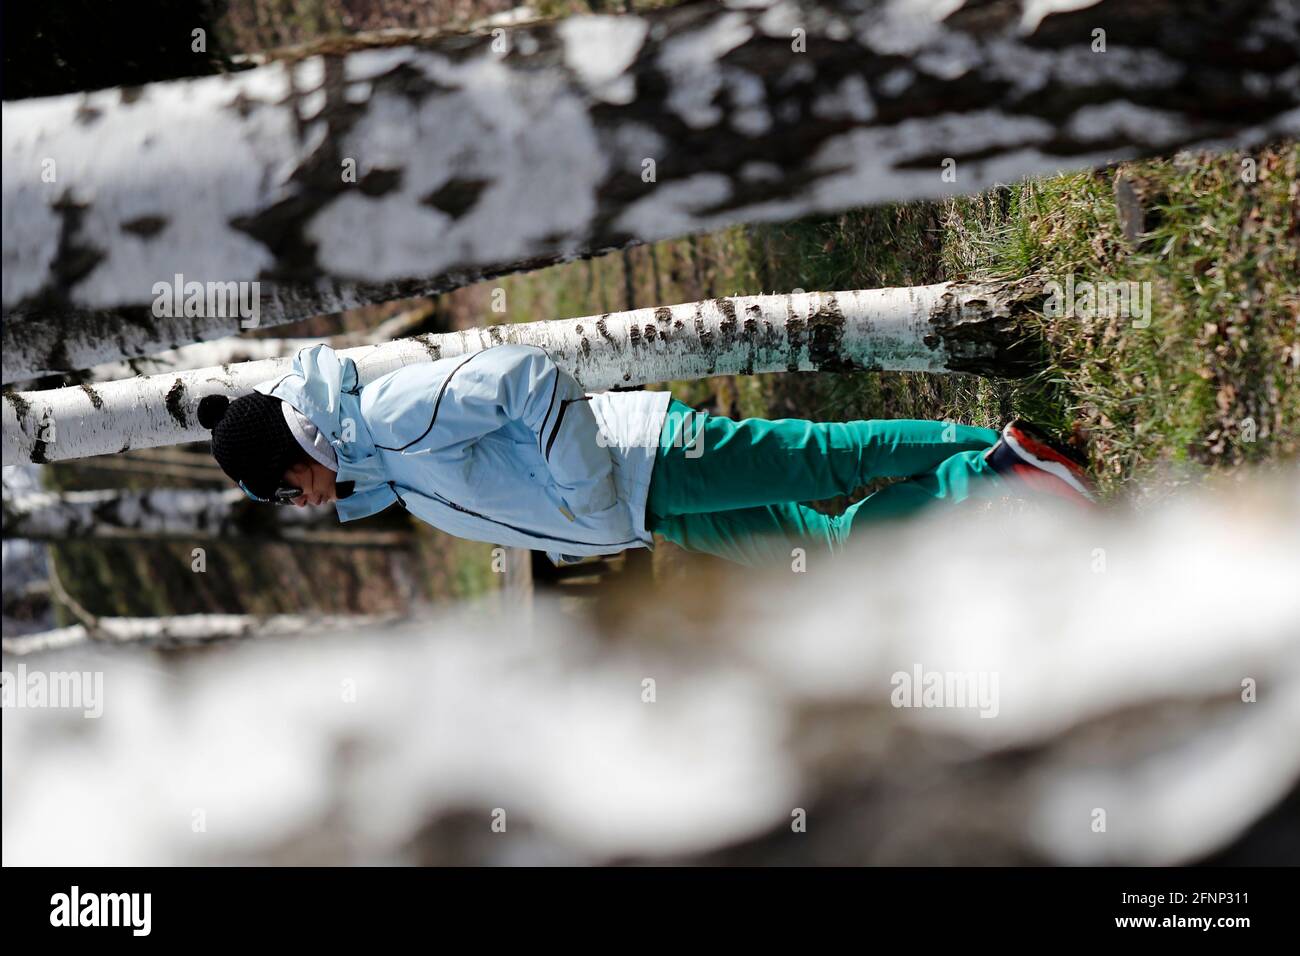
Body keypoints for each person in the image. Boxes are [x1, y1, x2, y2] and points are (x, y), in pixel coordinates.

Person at [198, 343, 1095, 569]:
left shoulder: (388, 416)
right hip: (642, 512)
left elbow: (529, 380)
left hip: (650, 458)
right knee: (820, 555)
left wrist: (581, 495)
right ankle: (1003, 475)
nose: (299, 505)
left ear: (293, 450)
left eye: (282, 492)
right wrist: (577, 529)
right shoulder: (379, 467)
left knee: (822, 462)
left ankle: (1003, 464)